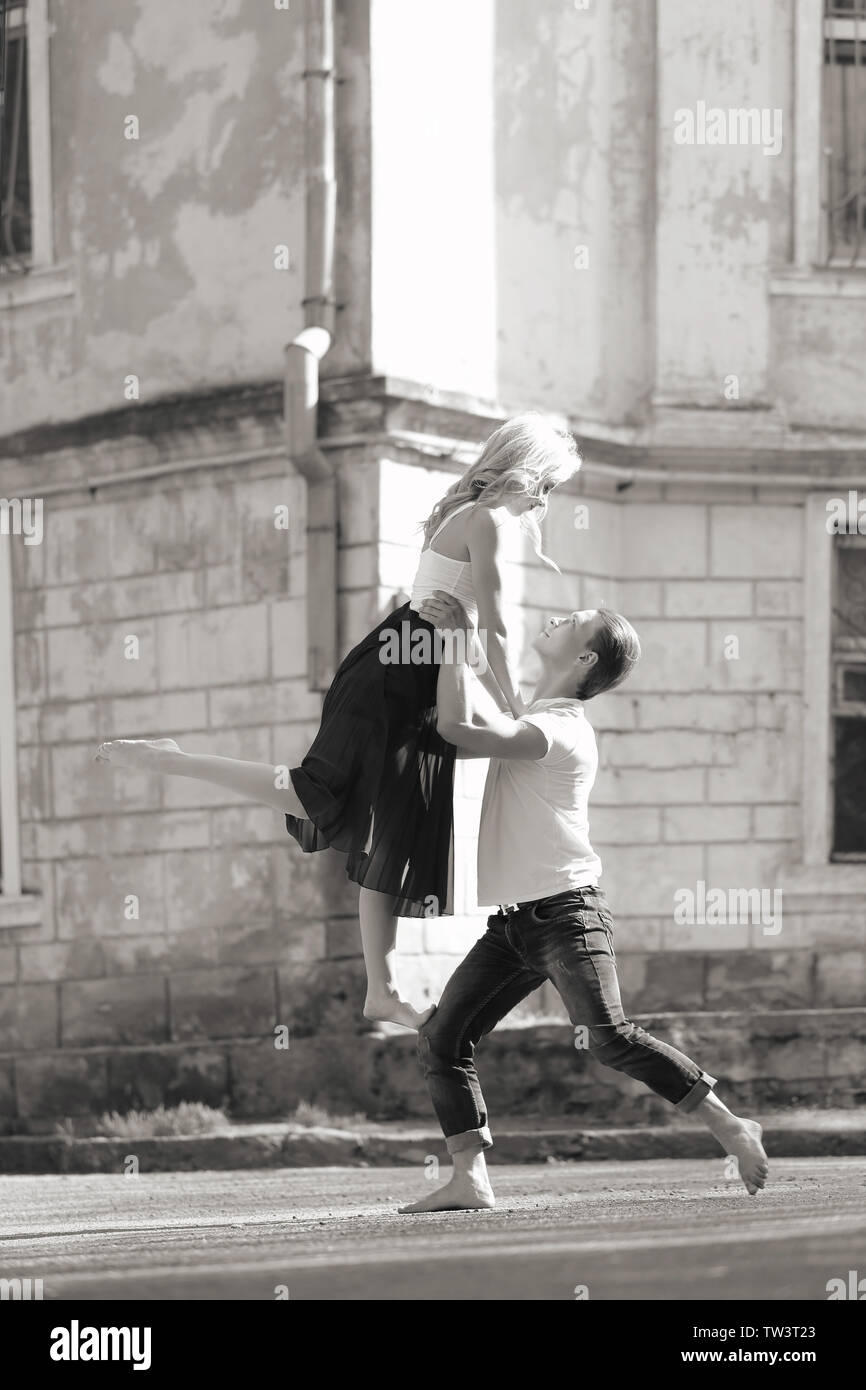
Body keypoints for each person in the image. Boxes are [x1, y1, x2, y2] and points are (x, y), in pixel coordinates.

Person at [94, 414, 580, 1030]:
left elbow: (469, 643)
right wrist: (519, 709)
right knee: (316, 796)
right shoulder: (484, 520)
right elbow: (496, 628)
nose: (544, 499)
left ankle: (383, 991)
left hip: (412, 670)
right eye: (548, 484)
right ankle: (168, 758)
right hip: (395, 678)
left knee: (389, 831)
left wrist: (507, 711)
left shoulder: (466, 516)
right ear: (524, 469)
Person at [398, 591, 769, 1213]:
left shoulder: (562, 729)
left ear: (585, 656)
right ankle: (471, 1179)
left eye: (573, 621)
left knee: (608, 1036)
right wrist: (462, 632)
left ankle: (732, 1125)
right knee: (444, 1036)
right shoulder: (538, 713)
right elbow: (489, 688)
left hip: (568, 914)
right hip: (514, 926)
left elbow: (460, 727)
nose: (557, 617)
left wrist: (456, 644)